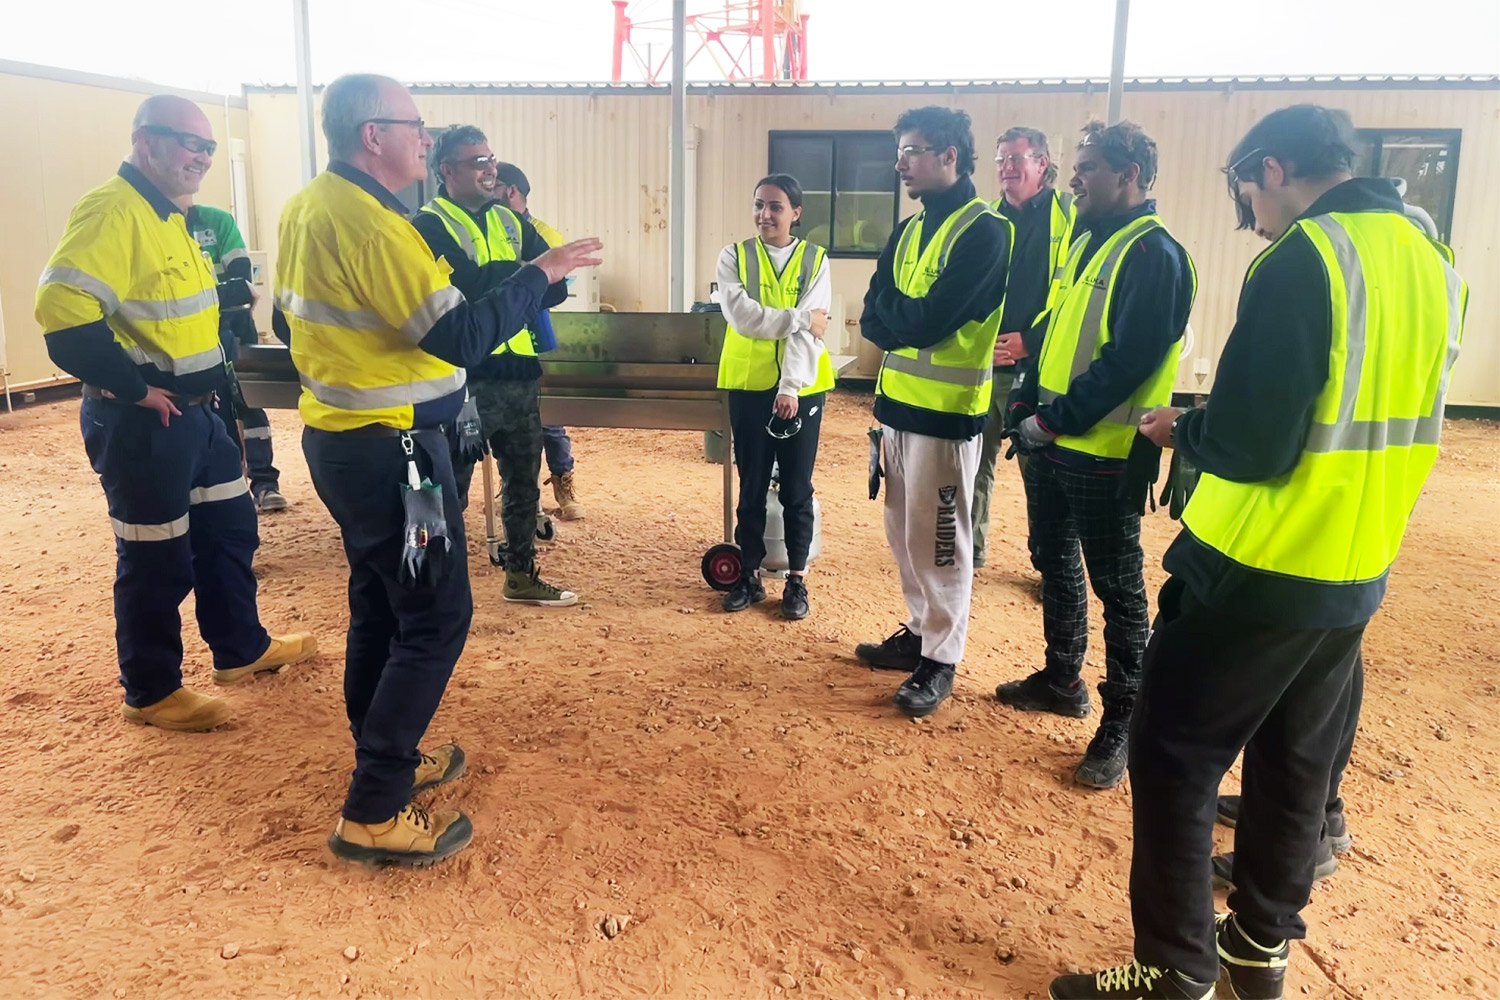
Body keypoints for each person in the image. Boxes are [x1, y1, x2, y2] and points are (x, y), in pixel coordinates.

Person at [1050, 104, 1465, 1000]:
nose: (1251, 212)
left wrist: (1183, 432)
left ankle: (1174, 968)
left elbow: (1254, 444)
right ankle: (1256, 950)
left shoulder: (1305, 258)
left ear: (1270, 169)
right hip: (1354, 571)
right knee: (1294, 767)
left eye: (1246, 191)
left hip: (1257, 564)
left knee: (1173, 756)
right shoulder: (1432, 259)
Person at [274, 74, 601, 867]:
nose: (425, 139)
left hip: (351, 443)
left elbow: (288, 324)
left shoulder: (313, 202)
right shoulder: (372, 225)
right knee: (434, 615)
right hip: (401, 459)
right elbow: (456, 337)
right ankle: (374, 808)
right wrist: (542, 272)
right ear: (370, 135)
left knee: (382, 605)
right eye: (413, 126)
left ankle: (383, 745)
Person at [35, 95, 316, 733]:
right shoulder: (113, 211)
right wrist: (133, 391)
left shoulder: (171, 216)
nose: (202, 156)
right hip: (144, 425)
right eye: (189, 143)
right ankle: (152, 690)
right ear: (145, 142)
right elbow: (63, 314)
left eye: (209, 147)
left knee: (229, 533)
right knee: (156, 556)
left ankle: (241, 649)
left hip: (198, 416)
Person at [993, 121, 1197, 791]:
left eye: (1088, 168)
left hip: (1104, 453)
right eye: (1076, 167)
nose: (1074, 179)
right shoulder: (1087, 240)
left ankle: (1123, 724)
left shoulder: (1155, 254)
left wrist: (1054, 419)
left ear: (1130, 176)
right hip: (1051, 441)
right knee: (1053, 563)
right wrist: (1026, 401)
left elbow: (1127, 360)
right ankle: (1061, 679)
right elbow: (1052, 332)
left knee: (1118, 589)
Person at [852, 106, 1012, 719]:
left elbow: (927, 321)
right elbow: (873, 316)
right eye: (900, 152)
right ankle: (919, 633)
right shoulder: (911, 229)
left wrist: (901, 317)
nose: (900, 164)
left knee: (942, 542)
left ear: (950, 155)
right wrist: (902, 318)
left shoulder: (985, 233)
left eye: (912, 151)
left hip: (947, 417)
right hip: (897, 409)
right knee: (903, 534)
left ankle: (942, 658)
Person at [411, 127, 577, 607]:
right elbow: (463, 285)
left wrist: (534, 276)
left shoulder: (507, 218)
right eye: (477, 161)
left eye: (492, 159)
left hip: (519, 373)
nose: (490, 169)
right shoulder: (428, 225)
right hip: (464, 383)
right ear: (447, 171)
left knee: (524, 482)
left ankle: (521, 574)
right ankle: (431, 587)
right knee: (448, 484)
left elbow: (557, 287)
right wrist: (532, 273)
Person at [714, 173, 834, 620]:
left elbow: (812, 332)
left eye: (776, 206)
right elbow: (742, 318)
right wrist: (801, 317)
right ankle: (749, 575)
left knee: (797, 489)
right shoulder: (734, 256)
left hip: (802, 388)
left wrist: (790, 387)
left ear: (796, 214)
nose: (765, 214)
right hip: (748, 384)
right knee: (752, 485)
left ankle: (796, 581)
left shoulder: (815, 259)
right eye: (759, 204)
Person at [972, 127, 1075, 575]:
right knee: (975, 465)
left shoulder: (1071, 217)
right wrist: (982, 345)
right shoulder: (984, 221)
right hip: (987, 361)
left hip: (1041, 367)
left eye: (1017, 159)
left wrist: (1029, 342)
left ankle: (1049, 564)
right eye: (1001, 161)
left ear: (1042, 163)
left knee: (1041, 472)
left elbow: (1075, 296)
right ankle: (969, 556)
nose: (1007, 168)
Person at [494, 161, 586, 521]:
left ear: (512, 191)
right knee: (506, 422)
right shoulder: (491, 228)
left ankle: (563, 482)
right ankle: (516, 488)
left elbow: (549, 280)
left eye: (496, 184)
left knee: (548, 417)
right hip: (499, 336)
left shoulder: (542, 231)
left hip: (535, 335)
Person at [184, 201, 287, 512]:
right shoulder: (156, 228)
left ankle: (265, 483)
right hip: (192, 336)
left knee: (249, 404)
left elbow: (241, 284)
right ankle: (231, 488)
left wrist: (196, 299)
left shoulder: (217, 221)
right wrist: (218, 294)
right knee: (216, 412)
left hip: (233, 330)